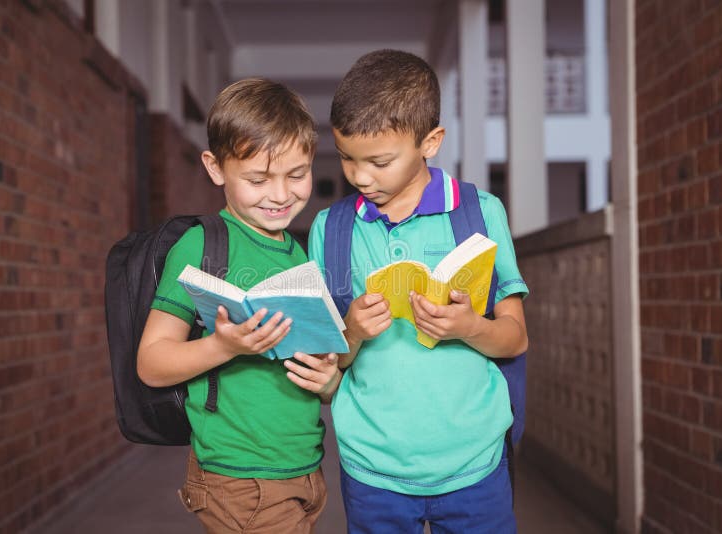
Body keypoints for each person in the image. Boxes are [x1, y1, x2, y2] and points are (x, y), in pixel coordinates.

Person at [307, 49, 529, 533]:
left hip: (475, 463)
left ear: (430, 142)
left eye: (380, 161)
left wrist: (470, 326)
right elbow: (327, 362)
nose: (360, 177)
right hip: (372, 467)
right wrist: (352, 332)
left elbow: (515, 338)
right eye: (346, 158)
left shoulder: (481, 213)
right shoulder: (331, 229)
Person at [137, 78, 341, 533]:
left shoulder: (300, 252)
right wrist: (224, 346)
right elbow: (151, 362)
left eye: (297, 173)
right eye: (257, 178)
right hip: (239, 478)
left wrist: (330, 381)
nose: (281, 194)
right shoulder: (202, 247)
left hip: (304, 467)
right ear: (215, 168)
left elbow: (316, 359)